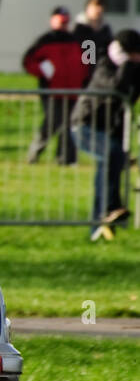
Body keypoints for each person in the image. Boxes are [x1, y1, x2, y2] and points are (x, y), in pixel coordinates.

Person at [71, 28, 140, 242]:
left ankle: (99, 227)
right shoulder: (105, 65)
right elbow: (116, 87)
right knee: (112, 154)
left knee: (107, 168)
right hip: (84, 125)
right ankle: (111, 208)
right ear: (127, 52)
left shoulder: (132, 68)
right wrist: (128, 64)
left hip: (109, 132)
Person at [22, 6, 90, 165]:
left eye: (66, 21)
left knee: (71, 126)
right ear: (52, 20)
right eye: (61, 21)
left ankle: (66, 159)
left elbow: (87, 63)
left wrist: (84, 80)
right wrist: (44, 71)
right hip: (52, 91)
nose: (64, 24)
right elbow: (28, 62)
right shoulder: (44, 40)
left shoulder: (76, 40)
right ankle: (34, 154)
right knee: (51, 124)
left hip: (73, 91)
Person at [72, 0, 113, 67]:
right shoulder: (79, 29)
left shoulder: (105, 29)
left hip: (100, 69)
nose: (99, 9)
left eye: (101, 6)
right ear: (88, 8)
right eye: (95, 6)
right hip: (83, 70)